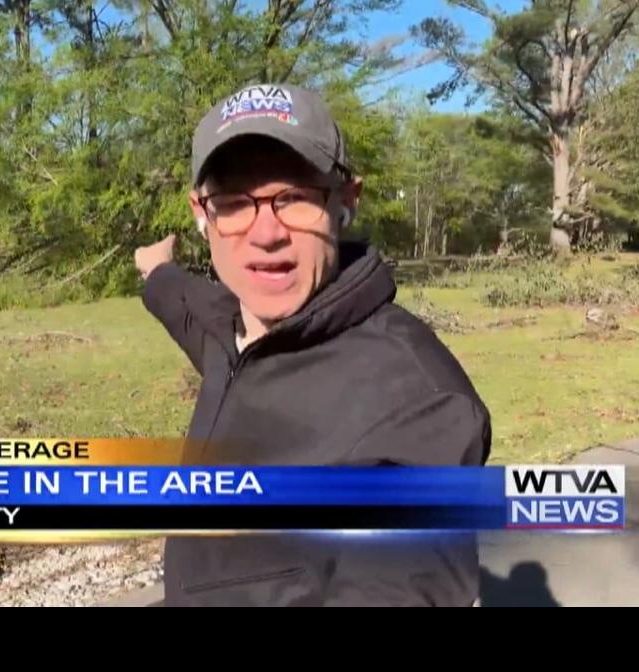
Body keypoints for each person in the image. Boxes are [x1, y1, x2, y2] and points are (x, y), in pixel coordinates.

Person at [134, 83, 490, 606]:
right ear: (201, 215)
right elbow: (178, 299)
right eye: (234, 203)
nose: (265, 233)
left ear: (345, 202)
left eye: (294, 197)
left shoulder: (417, 404)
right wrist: (156, 270)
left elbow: (401, 578)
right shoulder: (228, 325)